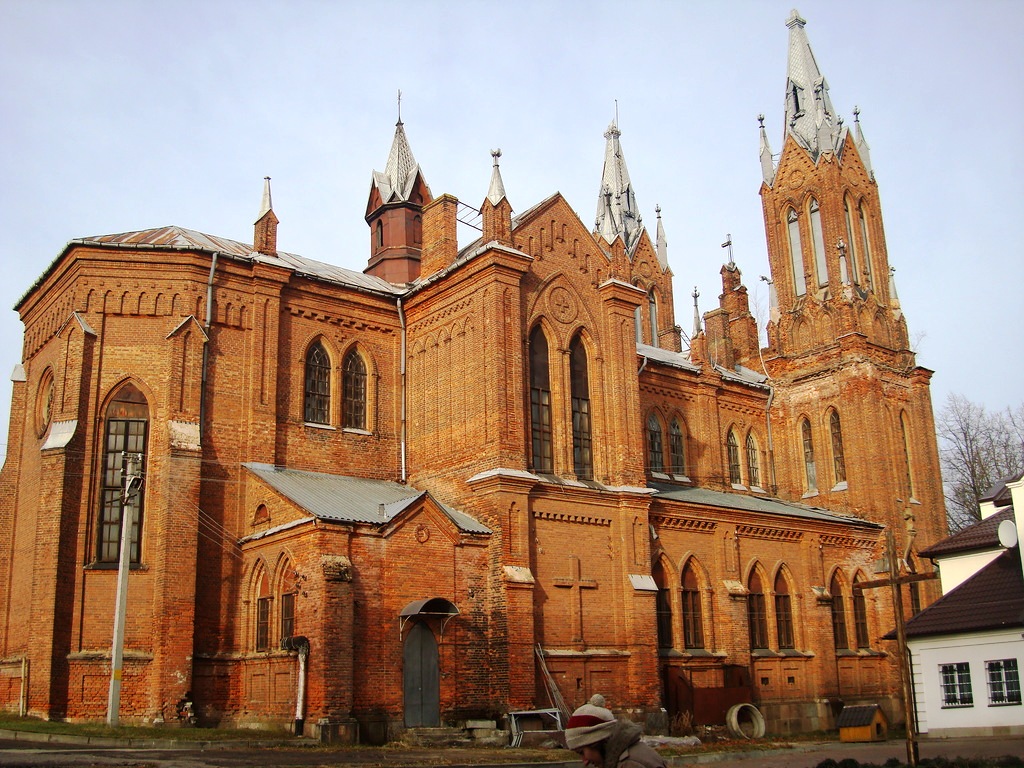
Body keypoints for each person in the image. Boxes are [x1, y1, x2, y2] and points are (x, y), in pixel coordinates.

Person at [564, 695, 666, 768]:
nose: (584, 761)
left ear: (594, 742)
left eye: (582, 752)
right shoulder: (630, 754)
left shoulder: (629, 763)